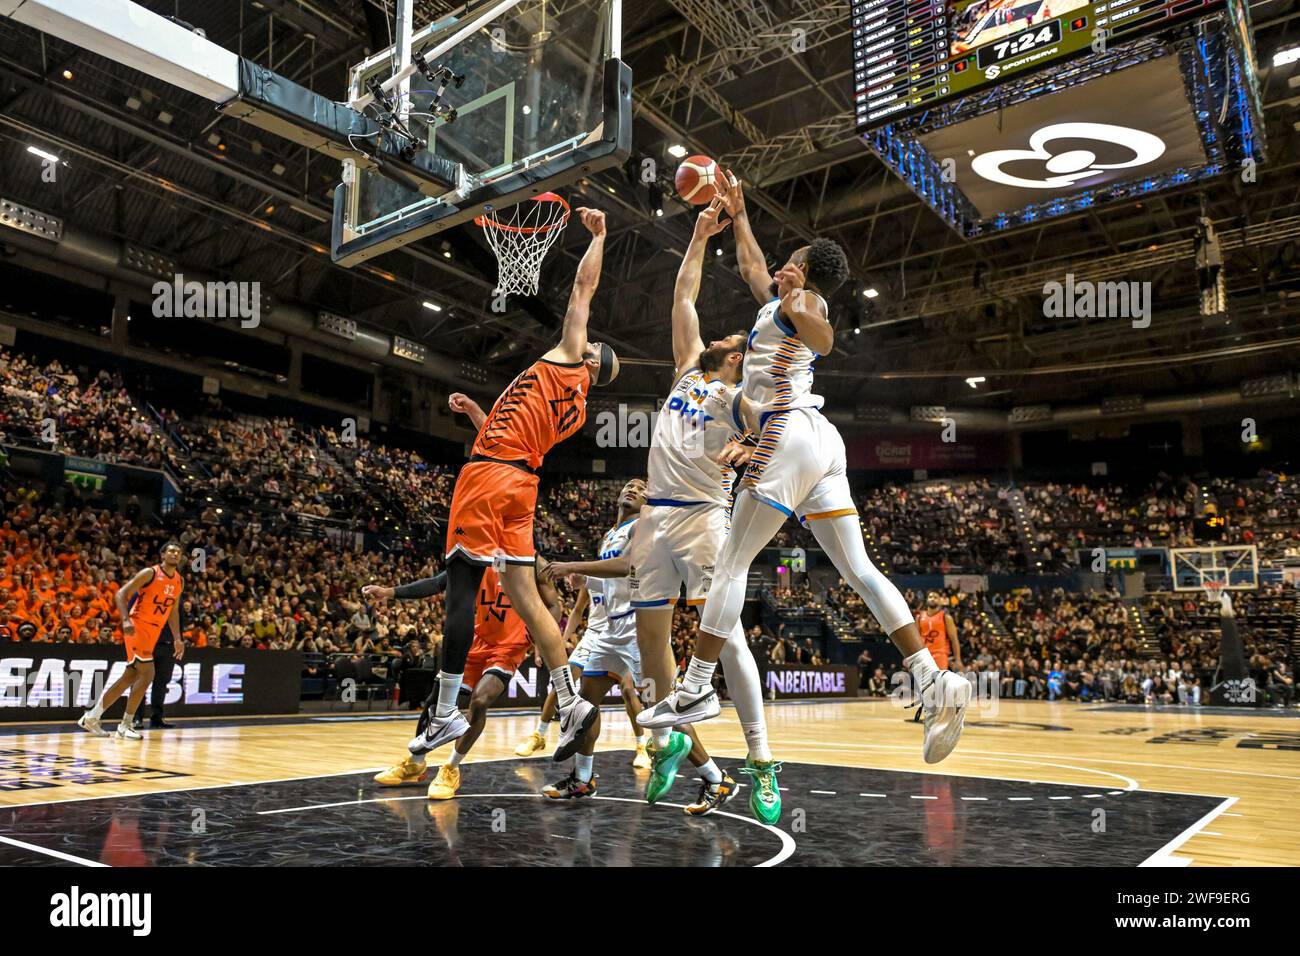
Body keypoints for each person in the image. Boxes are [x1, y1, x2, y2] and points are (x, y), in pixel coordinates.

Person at [640, 172, 973, 782]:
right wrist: (740, 215)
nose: (777, 268)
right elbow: (751, 266)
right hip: (821, 442)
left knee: (733, 564)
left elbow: (823, 336)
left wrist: (802, 304)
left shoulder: (799, 304)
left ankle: (696, 687)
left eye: (789, 263)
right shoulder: (773, 304)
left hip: (790, 433)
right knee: (859, 569)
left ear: (802, 270)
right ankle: (932, 678)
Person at [407, 207, 618, 764]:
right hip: (520, 485)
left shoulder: (568, 358)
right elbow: (513, 442)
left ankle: (445, 710)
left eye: (591, 343)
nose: (584, 337)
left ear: (592, 359)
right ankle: (569, 702)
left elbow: (583, 290)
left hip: (487, 479)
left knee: (461, 586)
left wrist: (598, 238)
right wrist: (479, 414)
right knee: (526, 597)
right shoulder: (576, 409)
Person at [365, 558, 561, 799]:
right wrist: (389, 592)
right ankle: (416, 764)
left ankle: (451, 768)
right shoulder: (478, 558)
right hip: (478, 641)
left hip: (509, 647)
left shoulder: (532, 561)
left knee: (480, 701)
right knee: (436, 699)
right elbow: (437, 583)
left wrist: (535, 637)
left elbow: (554, 606)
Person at [78, 541, 185, 739]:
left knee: (130, 676)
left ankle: (92, 717)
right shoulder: (150, 573)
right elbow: (121, 594)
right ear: (162, 555)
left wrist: (177, 638)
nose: (175, 554)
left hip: (154, 631)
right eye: (171, 550)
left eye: (178, 552)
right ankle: (125, 725)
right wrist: (126, 620)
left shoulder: (179, 580)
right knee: (148, 674)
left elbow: (173, 611)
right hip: (138, 626)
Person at [911, 591, 963, 723]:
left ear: (940, 601)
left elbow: (954, 639)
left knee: (938, 685)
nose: (932, 598)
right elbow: (914, 639)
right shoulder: (919, 617)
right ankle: (932, 713)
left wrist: (958, 659)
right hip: (924, 654)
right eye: (930, 596)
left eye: (935, 597)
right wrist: (910, 656)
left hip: (940, 654)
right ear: (926, 600)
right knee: (925, 686)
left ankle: (940, 714)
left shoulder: (946, 617)